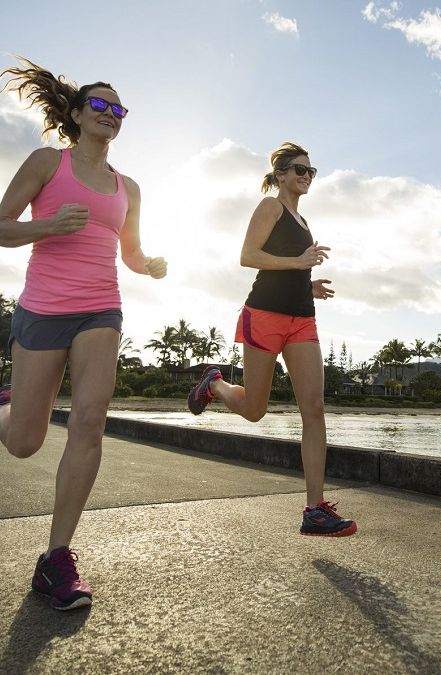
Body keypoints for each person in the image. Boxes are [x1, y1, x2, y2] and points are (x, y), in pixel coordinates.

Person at [0, 58, 167, 610]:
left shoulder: (129, 187)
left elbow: (128, 251)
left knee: (89, 423)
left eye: (118, 108)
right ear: (77, 114)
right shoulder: (45, 163)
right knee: (26, 442)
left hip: (101, 311)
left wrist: (148, 263)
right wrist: (49, 226)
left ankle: (57, 558)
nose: (111, 114)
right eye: (100, 105)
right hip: (42, 310)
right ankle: (0, 411)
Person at [186, 142, 356, 537]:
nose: (306, 176)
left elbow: (285, 264)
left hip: (302, 321)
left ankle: (315, 509)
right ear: (280, 174)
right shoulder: (270, 207)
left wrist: (306, 283)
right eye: (299, 169)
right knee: (255, 410)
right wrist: (298, 263)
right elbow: (248, 255)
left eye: (311, 171)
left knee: (313, 409)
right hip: (263, 315)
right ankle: (215, 384)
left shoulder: (302, 219)